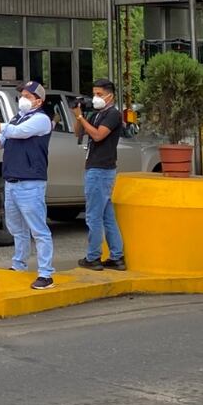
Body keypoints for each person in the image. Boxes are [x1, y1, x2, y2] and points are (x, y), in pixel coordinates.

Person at [0, 81, 55, 290]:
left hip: (31, 183)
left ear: (39, 100)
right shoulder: (17, 119)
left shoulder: (41, 120)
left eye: (28, 96)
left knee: (38, 230)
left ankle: (46, 274)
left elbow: (17, 132)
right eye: (22, 95)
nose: (23, 99)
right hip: (11, 181)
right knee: (16, 228)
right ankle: (18, 264)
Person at [72, 78, 126, 271]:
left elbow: (97, 135)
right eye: (94, 94)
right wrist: (78, 115)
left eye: (99, 94)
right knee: (107, 215)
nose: (95, 98)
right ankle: (117, 256)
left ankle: (93, 256)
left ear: (110, 95)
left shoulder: (113, 115)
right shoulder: (96, 114)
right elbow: (77, 132)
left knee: (93, 216)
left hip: (101, 169)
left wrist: (81, 118)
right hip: (97, 168)